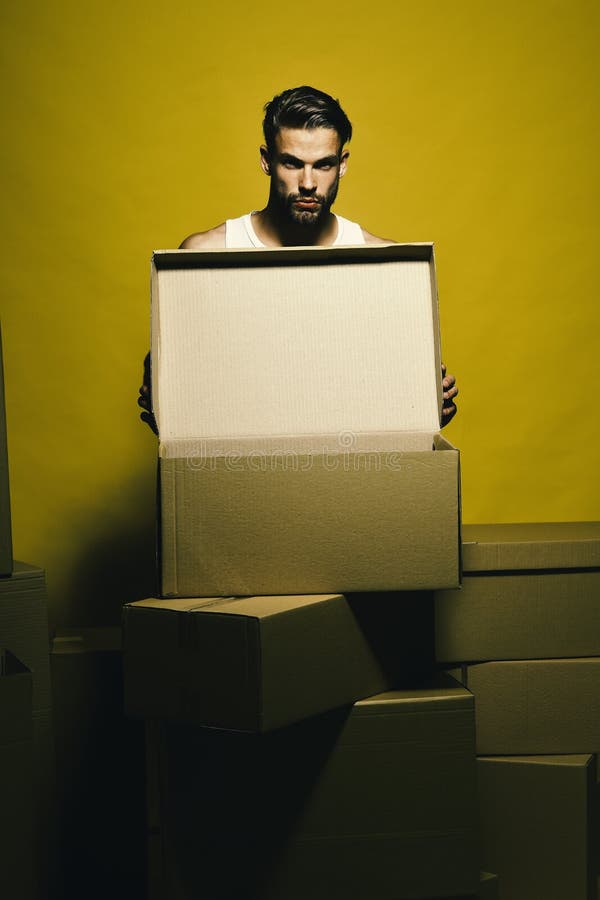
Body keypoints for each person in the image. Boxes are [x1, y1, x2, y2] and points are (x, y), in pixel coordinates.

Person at [138, 85, 458, 431]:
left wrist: (425, 401)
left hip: (343, 467)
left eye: (323, 165)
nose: (308, 183)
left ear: (343, 164)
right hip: (238, 469)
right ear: (266, 160)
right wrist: (163, 390)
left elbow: (394, 388)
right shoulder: (207, 254)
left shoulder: (385, 264)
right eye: (292, 163)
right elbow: (180, 385)